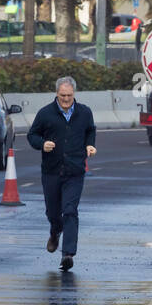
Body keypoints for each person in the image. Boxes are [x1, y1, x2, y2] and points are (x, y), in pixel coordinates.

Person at [27, 76, 96, 271]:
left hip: (75, 171)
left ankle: (68, 254)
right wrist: (42, 144)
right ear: (56, 94)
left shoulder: (84, 113)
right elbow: (32, 135)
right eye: (62, 95)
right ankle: (55, 231)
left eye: (69, 96)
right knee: (53, 213)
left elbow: (91, 130)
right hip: (51, 171)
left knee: (70, 210)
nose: (66, 99)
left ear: (74, 94)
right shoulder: (46, 113)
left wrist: (90, 145)